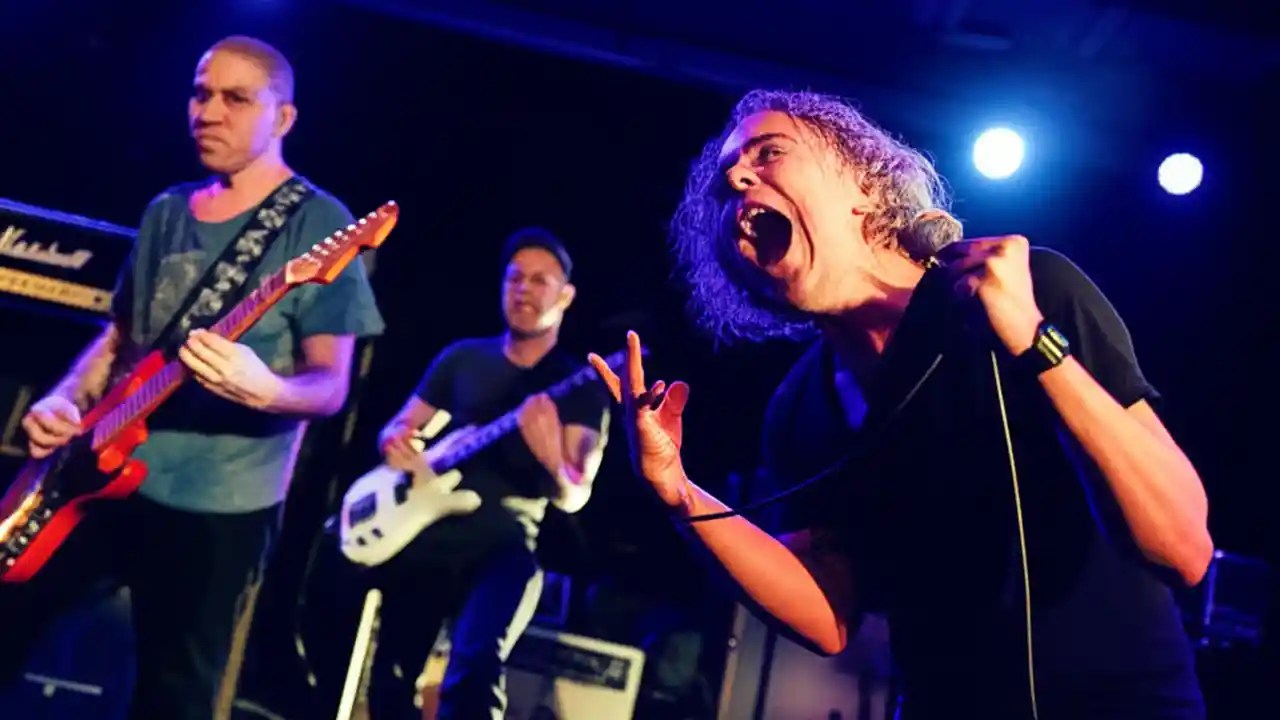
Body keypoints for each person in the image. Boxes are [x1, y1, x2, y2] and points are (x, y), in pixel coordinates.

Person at [590, 89, 1212, 719]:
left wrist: (1032, 340)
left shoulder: (1032, 290)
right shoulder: (799, 412)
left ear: (865, 183)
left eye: (769, 152)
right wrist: (680, 493)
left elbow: (1182, 548)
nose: (736, 176)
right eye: (727, 180)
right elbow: (830, 613)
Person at [5, 35, 385, 719]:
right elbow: (122, 336)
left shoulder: (316, 222)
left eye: (236, 98)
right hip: (97, 470)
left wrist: (265, 388)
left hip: (219, 509)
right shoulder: (166, 211)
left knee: (173, 698)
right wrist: (66, 397)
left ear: (283, 118)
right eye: (201, 93)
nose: (209, 111)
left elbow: (330, 386)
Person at [368, 227, 610, 720]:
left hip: (504, 544)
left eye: (540, 281)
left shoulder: (579, 385)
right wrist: (398, 442)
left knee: (474, 668)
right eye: (515, 278)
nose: (523, 289)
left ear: (566, 296)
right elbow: (400, 426)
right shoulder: (462, 358)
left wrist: (548, 453)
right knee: (390, 675)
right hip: (427, 532)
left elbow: (575, 494)